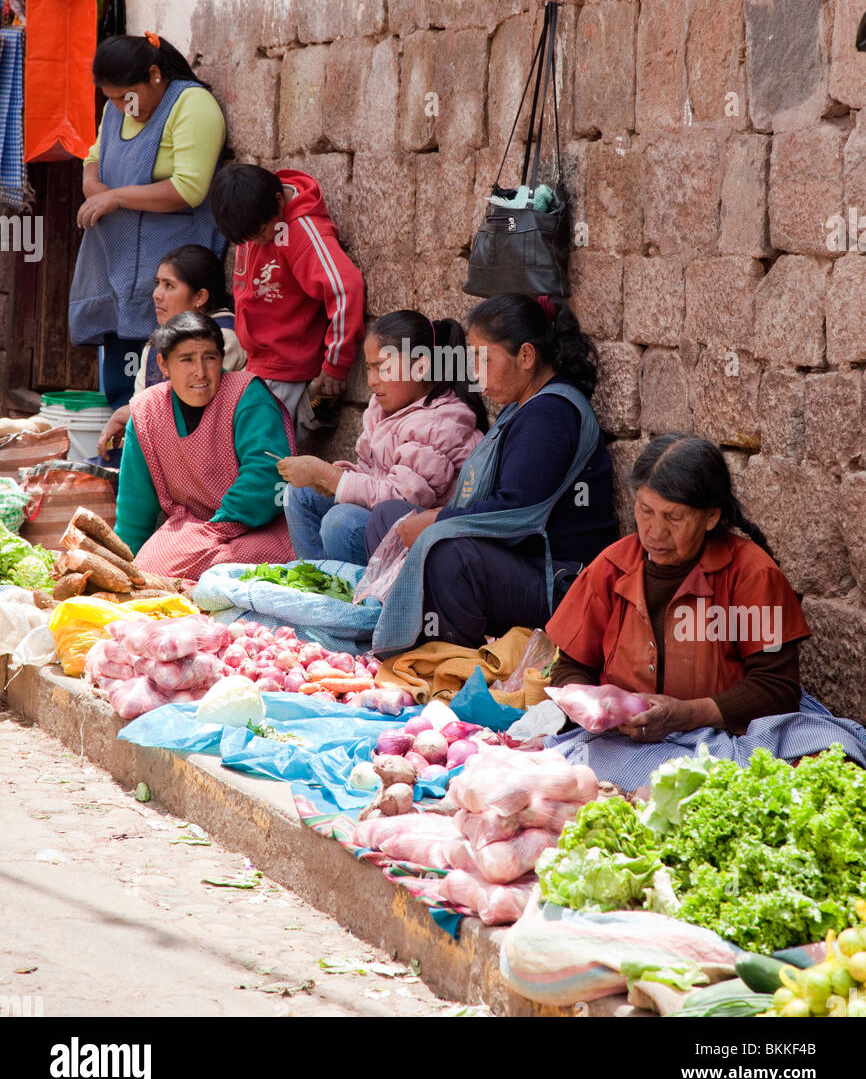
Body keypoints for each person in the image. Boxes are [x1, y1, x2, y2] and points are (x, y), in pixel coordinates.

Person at [544, 433, 866, 785]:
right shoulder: (611, 567)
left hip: (734, 733)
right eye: (645, 510)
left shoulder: (752, 574)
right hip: (630, 743)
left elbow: (776, 687)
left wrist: (682, 714)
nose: (654, 532)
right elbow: (571, 666)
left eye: (674, 517)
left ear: (711, 516)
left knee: (834, 759)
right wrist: (599, 709)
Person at [368, 293, 619, 656]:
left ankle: (456, 659)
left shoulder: (549, 414)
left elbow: (515, 510)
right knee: (388, 518)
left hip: (558, 581)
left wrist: (439, 520)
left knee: (448, 555)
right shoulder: (522, 405)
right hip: (515, 561)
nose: (475, 372)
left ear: (527, 357)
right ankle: (412, 626)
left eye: (484, 359)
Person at [69, 33, 227, 409]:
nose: (123, 107)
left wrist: (117, 196)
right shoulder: (117, 109)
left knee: (163, 388)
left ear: (155, 74)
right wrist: (92, 182)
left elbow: (189, 187)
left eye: (128, 96)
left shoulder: (191, 105)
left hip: (168, 261)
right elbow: (94, 153)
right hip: (116, 265)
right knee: (121, 390)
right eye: (112, 99)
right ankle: (126, 463)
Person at [278, 309, 488, 564]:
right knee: (300, 492)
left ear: (420, 366)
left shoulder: (441, 422)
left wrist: (331, 477)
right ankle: (318, 582)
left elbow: (402, 501)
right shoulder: (385, 409)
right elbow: (374, 477)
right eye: (368, 368)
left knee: (341, 521)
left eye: (382, 367)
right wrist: (333, 477)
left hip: (420, 544)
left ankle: (359, 599)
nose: (372, 380)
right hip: (382, 520)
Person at [114, 312, 293, 578]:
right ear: (163, 364)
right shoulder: (146, 412)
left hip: (259, 529)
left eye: (209, 358)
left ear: (222, 358)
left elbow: (266, 472)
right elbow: (134, 505)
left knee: (263, 565)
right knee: (147, 569)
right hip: (190, 534)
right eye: (186, 360)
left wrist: (216, 531)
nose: (200, 372)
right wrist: (121, 567)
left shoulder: (247, 394)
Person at [209, 162, 365, 439]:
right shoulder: (254, 215)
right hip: (258, 363)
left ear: (279, 201)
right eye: (248, 238)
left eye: (261, 233)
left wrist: (336, 364)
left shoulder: (302, 231)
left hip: (285, 370)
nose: (257, 242)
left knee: (262, 453)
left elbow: (345, 288)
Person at [96, 245, 245, 459]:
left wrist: (133, 413)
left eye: (169, 286)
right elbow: (142, 402)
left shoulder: (223, 338)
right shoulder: (158, 342)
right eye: (158, 284)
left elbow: (194, 408)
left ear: (200, 297)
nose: (157, 295)